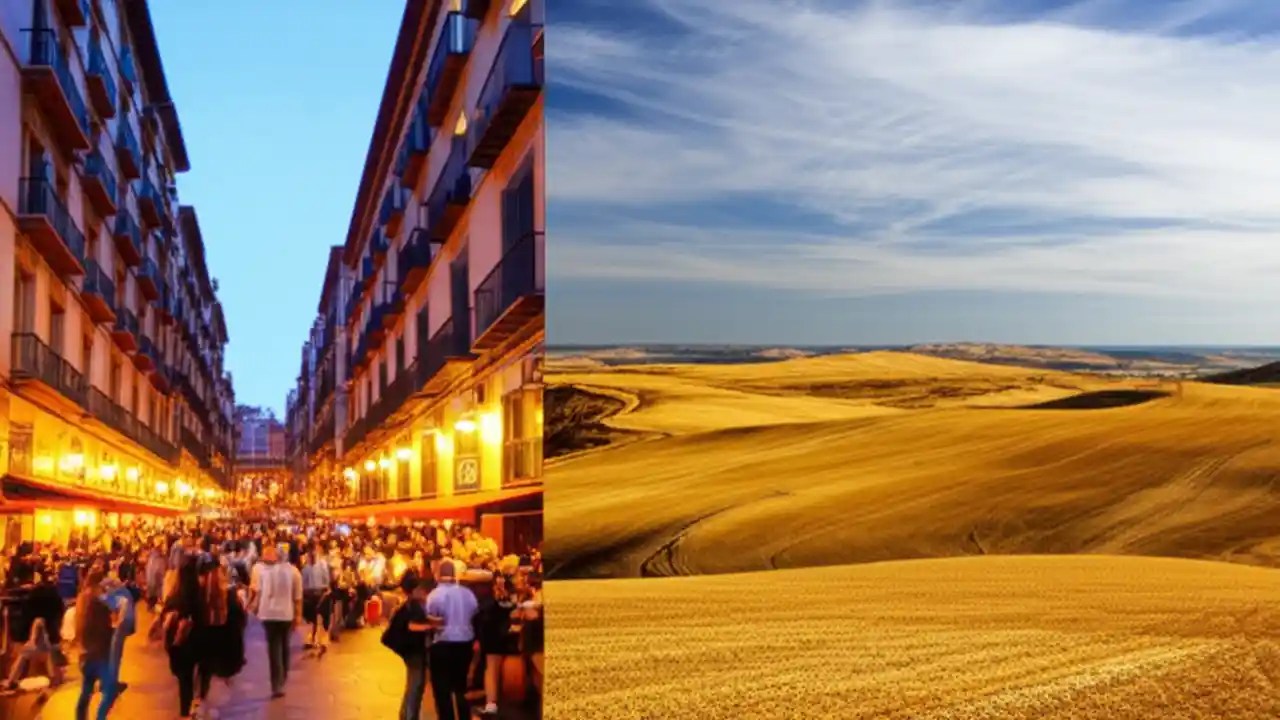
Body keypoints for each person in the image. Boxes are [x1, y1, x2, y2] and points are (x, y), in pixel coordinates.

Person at [425, 561, 478, 720]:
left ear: (439, 575)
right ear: (454, 574)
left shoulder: (434, 595)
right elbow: (475, 613)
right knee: (461, 687)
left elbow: (432, 620)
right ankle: (464, 717)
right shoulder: (467, 593)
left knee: (442, 690)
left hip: (443, 643)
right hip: (465, 644)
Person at [249, 544, 301, 699]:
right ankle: (281, 677)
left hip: (268, 614)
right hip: (286, 614)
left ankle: (276, 683)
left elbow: (259, 592)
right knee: (284, 646)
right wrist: (298, 615)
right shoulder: (294, 572)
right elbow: (297, 597)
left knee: (274, 648)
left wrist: (254, 608)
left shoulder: (264, 572)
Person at [383, 579, 433, 720]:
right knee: (416, 685)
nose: (424, 591)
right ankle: (411, 716)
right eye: (419, 588)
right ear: (414, 591)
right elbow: (412, 626)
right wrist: (432, 626)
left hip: (409, 650)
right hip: (414, 650)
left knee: (413, 683)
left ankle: (405, 714)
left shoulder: (409, 605)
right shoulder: (414, 606)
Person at [160, 560, 203, 719]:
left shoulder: (175, 596)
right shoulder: (200, 595)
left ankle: (185, 710)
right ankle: (195, 705)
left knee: (184, 680)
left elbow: (164, 617)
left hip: (180, 645)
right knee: (196, 675)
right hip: (197, 642)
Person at [74, 571, 115, 720]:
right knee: (110, 690)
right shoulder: (97, 604)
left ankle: (80, 717)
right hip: (98, 654)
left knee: (86, 691)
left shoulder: (82, 600)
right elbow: (104, 629)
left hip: (85, 654)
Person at [476, 574, 519, 716]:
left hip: (493, 640)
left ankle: (491, 705)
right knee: (499, 672)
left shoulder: (489, 601)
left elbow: (483, 616)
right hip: (507, 639)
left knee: (492, 672)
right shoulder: (513, 600)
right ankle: (498, 705)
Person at [102, 568, 137, 697]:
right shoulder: (123, 591)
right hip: (123, 624)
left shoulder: (112, 594)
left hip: (119, 625)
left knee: (113, 654)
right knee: (115, 655)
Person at [300, 547, 330, 654]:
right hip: (309, 594)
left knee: (322, 616)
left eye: (314, 554)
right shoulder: (306, 567)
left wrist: (326, 590)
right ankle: (312, 638)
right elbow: (303, 582)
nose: (312, 556)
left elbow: (326, 579)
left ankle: (323, 640)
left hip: (321, 592)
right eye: (310, 555)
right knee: (312, 618)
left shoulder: (322, 565)